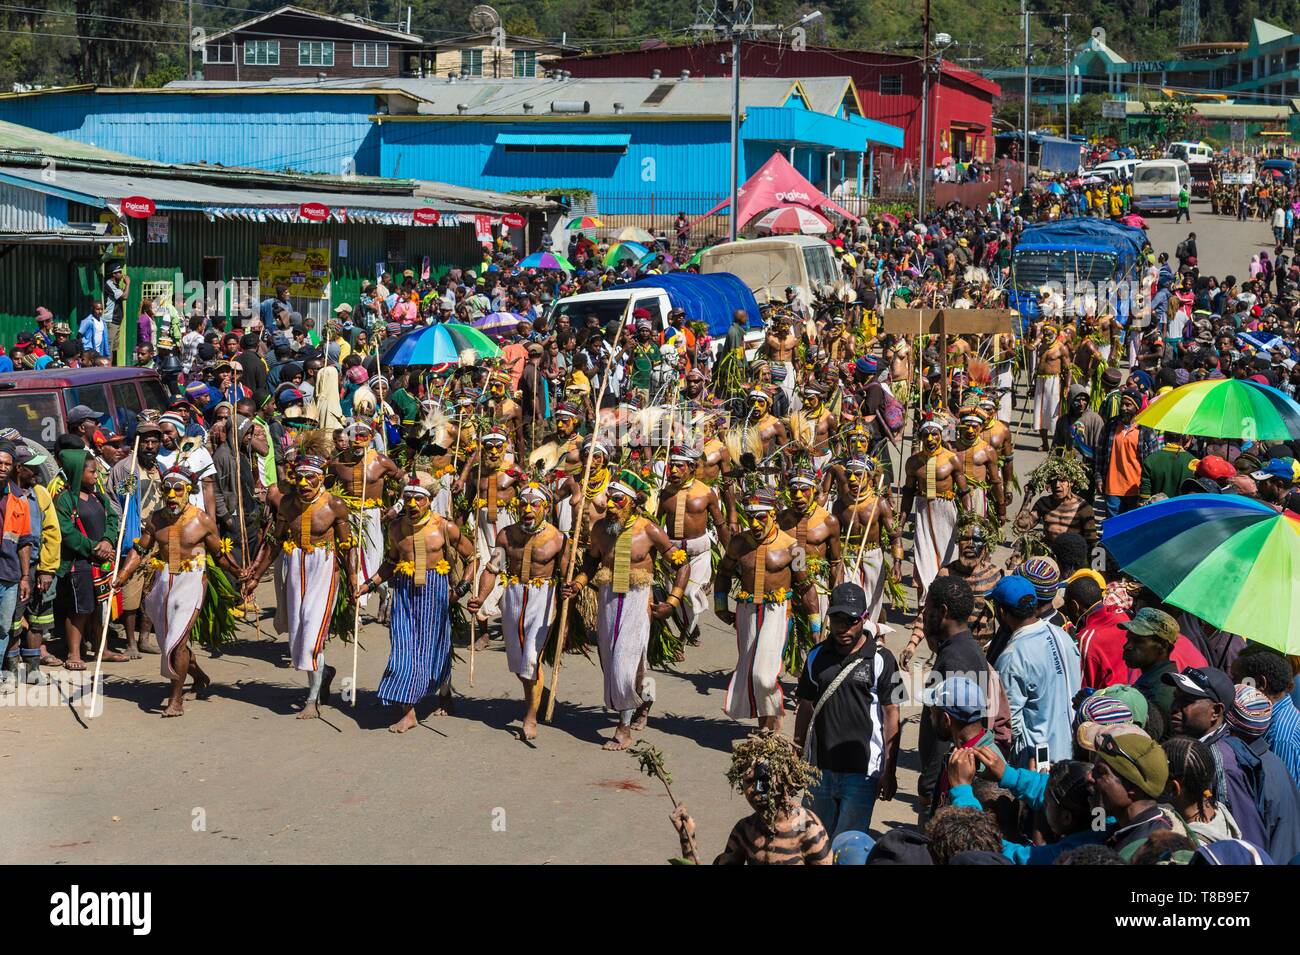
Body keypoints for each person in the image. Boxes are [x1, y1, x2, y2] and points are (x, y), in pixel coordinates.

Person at [562, 471, 688, 750]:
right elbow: (591, 562)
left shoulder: (649, 530)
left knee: (624, 663)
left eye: (618, 500)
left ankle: (623, 728)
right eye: (609, 499)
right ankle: (647, 697)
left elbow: (682, 564)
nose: (610, 505)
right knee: (613, 662)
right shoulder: (599, 530)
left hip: (637, 601)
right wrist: (579, 583)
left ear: (632, 502)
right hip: (608, 599)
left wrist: (673, 601)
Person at [113, 467, 244, 717]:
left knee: (177, 642)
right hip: (163, 582)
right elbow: (140, 551)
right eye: (166, 489)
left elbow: (220, 555)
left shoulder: (202, 520)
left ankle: (175, 700)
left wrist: (242, 574)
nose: (171, 495)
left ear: (188, 492)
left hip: (192, 581)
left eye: (178, 489)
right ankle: (200, 677)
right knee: (169, 643)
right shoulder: (155, 519)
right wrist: (123, 575)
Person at [241, 439, 355, 719]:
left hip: (324, 569)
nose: (304, 484)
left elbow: (348, 546)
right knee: (298, 637)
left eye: (311, 478)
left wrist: (353, 579)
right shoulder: (288, 505)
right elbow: (274, 543)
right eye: (300, 477)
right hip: (294, 567)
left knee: (312, 636)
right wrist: (255, 575)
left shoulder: (335, 506)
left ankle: (312, 700)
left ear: (322, 480)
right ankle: (324, 672)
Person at [358, 474, 476, 733]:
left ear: (430, 500)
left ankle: (444, 692)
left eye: (418, 499)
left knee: (436, 648)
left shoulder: (445, 527)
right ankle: (409, 711)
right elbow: (390, 563)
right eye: (407, 498)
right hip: (403, 592)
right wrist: (368, 584)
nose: (412, 504)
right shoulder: (396, 528)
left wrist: (461, 589)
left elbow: (472, 557)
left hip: (436, 593)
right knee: (403, 650)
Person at [792, 582, 902, 837]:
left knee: (847, 846)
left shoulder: (883, 660)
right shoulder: (815, 656)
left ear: (864, 619)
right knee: (815, 843)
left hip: (862, 775)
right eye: (837, 620)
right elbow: (805, 706)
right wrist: (797, 754)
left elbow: (892, 715)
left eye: (850, 621)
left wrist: (889, 770)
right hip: (819, 771)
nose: (842, 628)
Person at [716, 486, 818, 732]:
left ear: (773, 514)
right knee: (751, 671)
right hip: (747, 612)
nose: (754, 522)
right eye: (749, 516)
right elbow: (723, 573)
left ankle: (773, 724)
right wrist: (720, 606)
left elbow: (805, 587)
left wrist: (815, 625)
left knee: (764, 674)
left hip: (778, 613)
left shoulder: (793, 547)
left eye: (760, 516)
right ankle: (766, 724)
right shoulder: (739, 544)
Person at [469, 480, 564, 741]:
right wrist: (480, 597)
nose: (528, 509)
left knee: (532, 657)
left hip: (543, 596)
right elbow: (492, 568)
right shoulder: (506, 535)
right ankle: (535, 693)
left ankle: (530, 716)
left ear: (546, 507)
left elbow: (568, 577)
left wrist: (571, 598)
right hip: (512, 595)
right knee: (519, 660)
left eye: (535, 504)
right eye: (523, 504)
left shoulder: (558, 538)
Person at [669, 733, 831, 865]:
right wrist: (687, 837)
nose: (754, 790)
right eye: (748, 781)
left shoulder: (807, 829)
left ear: (784, 778)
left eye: (764, 780)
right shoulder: (745, 830)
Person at [1165, 666, 1270, 852]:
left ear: (1215, 711)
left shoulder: (1222, 764)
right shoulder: (1199, 751)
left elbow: (1248, 838)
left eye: (1186, 701)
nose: (1174, 707)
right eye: (1175, 697)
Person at [990, 574, 1081, 766]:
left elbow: (1009, 723)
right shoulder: (1061, 635)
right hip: (1071, 750)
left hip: (1038, 762)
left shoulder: (1013, 656)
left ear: (1001, 611)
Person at [1087, 726, 1189, 861]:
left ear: (1132, 788)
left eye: (1101, 772)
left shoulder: (1149, 852)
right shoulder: (1129, 827)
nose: (1088, 777)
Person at [1231, 643, 1300, 786]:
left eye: (1237, 680)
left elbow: (1280, 794)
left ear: (1261, 684)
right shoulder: (1273, 719)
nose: (1233, 686)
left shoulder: (1280, 736)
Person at [1121, 606, 1181, 729]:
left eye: (1138, 641)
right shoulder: (1150, 679)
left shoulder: (1162, 693)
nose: (1127, 646)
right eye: (1128, 639)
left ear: (1163, 646)